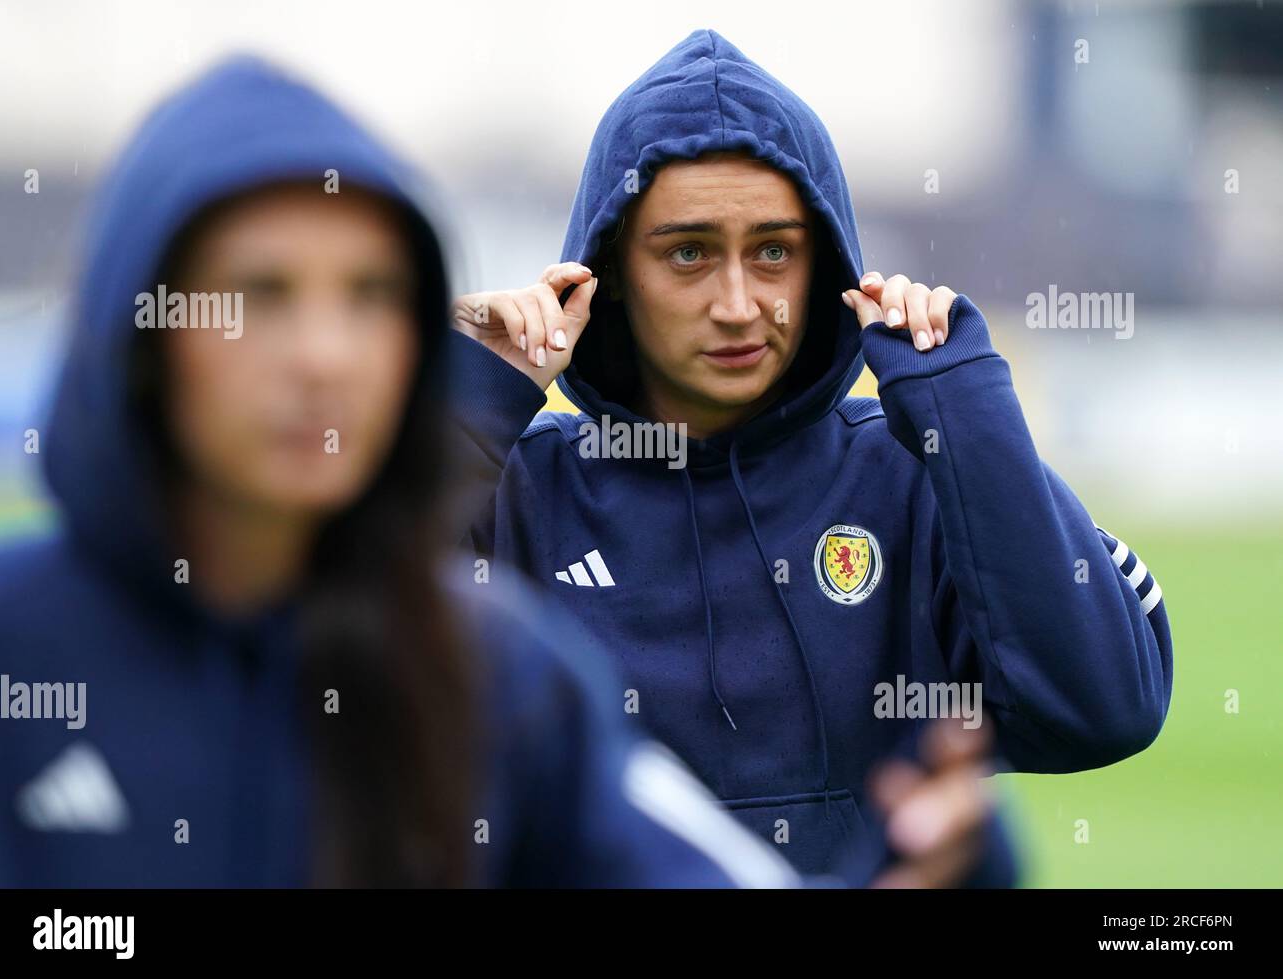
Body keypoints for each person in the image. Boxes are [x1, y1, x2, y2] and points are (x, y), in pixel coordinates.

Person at [0, 56, 995, 888]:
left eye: (373, 294)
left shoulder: (494, 669)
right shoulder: (8, 645)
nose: (325, 355)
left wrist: (937, 862)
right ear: (143, 328)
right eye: (261, 293)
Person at [449, 29, 1174, 877]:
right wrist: (466, 403)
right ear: (606, 270)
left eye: (773, 251)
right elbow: (323, 690)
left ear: (822, 261)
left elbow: (1102, 709)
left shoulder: (909, 474)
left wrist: (962, 408)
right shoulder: (515, 489)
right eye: (687, 252)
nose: (736, 303)